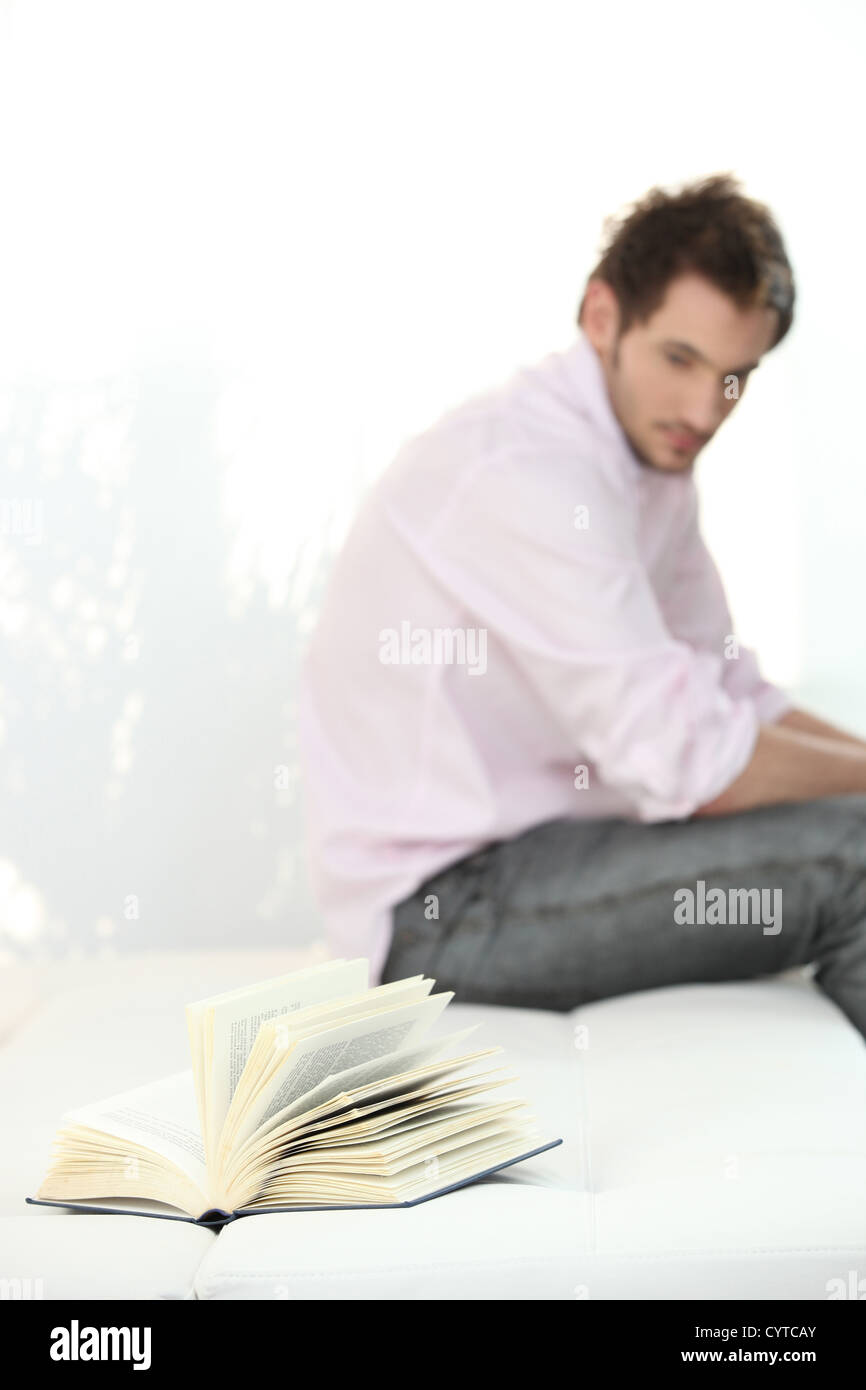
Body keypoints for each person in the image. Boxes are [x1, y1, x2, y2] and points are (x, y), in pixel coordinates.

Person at [297, 172, 866, 1041]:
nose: (703, 410)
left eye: (733, 377)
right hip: (442, 915)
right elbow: (687, 762)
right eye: (680, 359)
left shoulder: (651, 460)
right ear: (603, 317)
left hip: (557, 854)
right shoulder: (527, 472)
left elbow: (730, 694)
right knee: (856, 859)